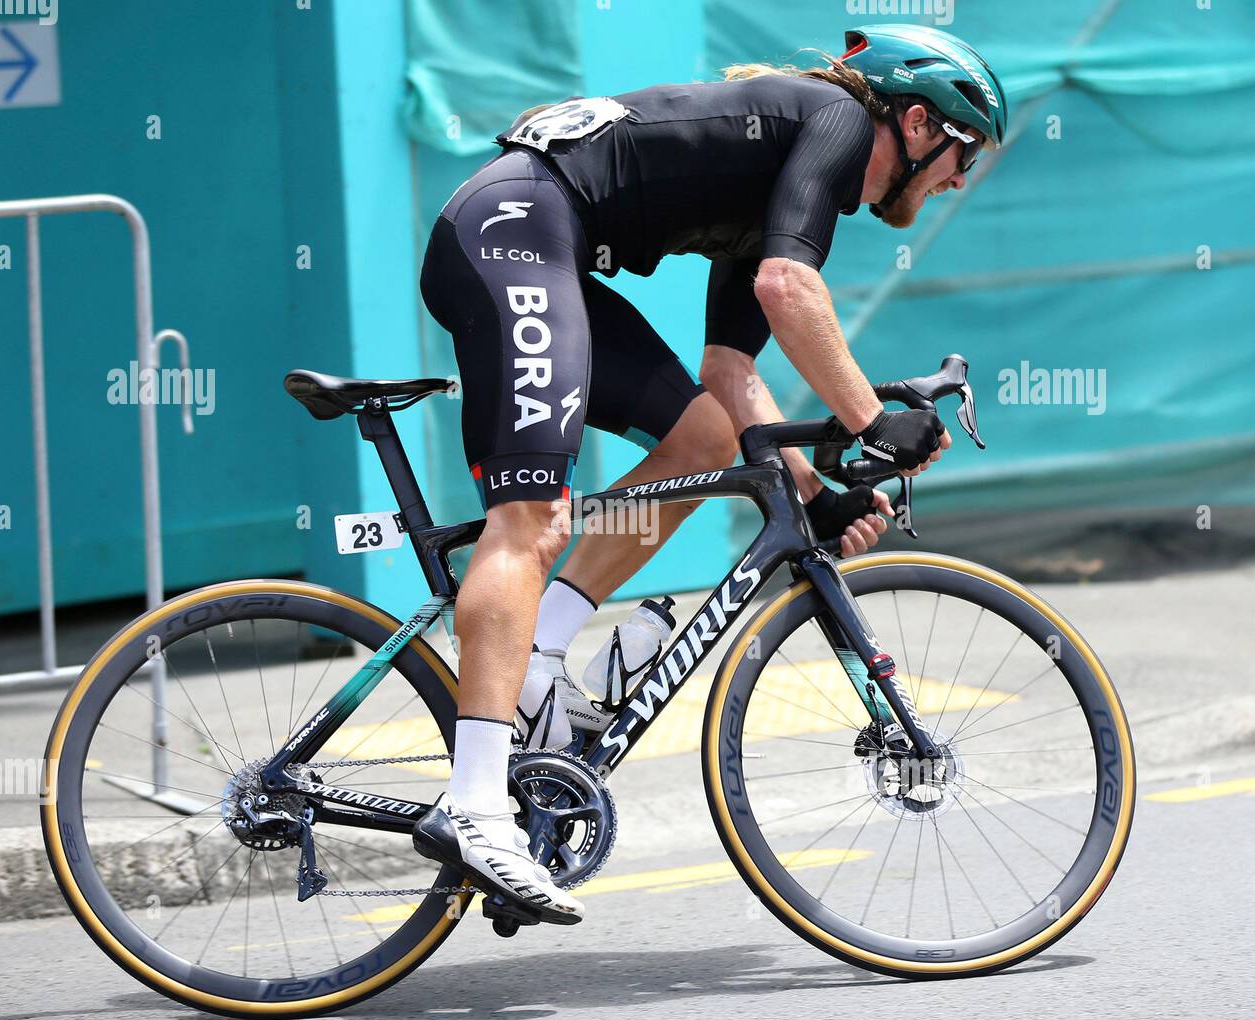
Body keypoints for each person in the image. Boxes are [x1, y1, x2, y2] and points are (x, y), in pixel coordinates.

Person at [412, 24, 1008, 923]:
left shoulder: (780, 174)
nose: (958, 182)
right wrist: (875, 423)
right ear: (919, 123)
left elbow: (732, 375)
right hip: (516, 228)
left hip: (534, 234)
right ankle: (475, 804)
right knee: (530, 521)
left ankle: (536, 663)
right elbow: (787, 290)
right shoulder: (839, 123)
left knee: (703, 440)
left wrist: (816, 489)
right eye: (961, 157)